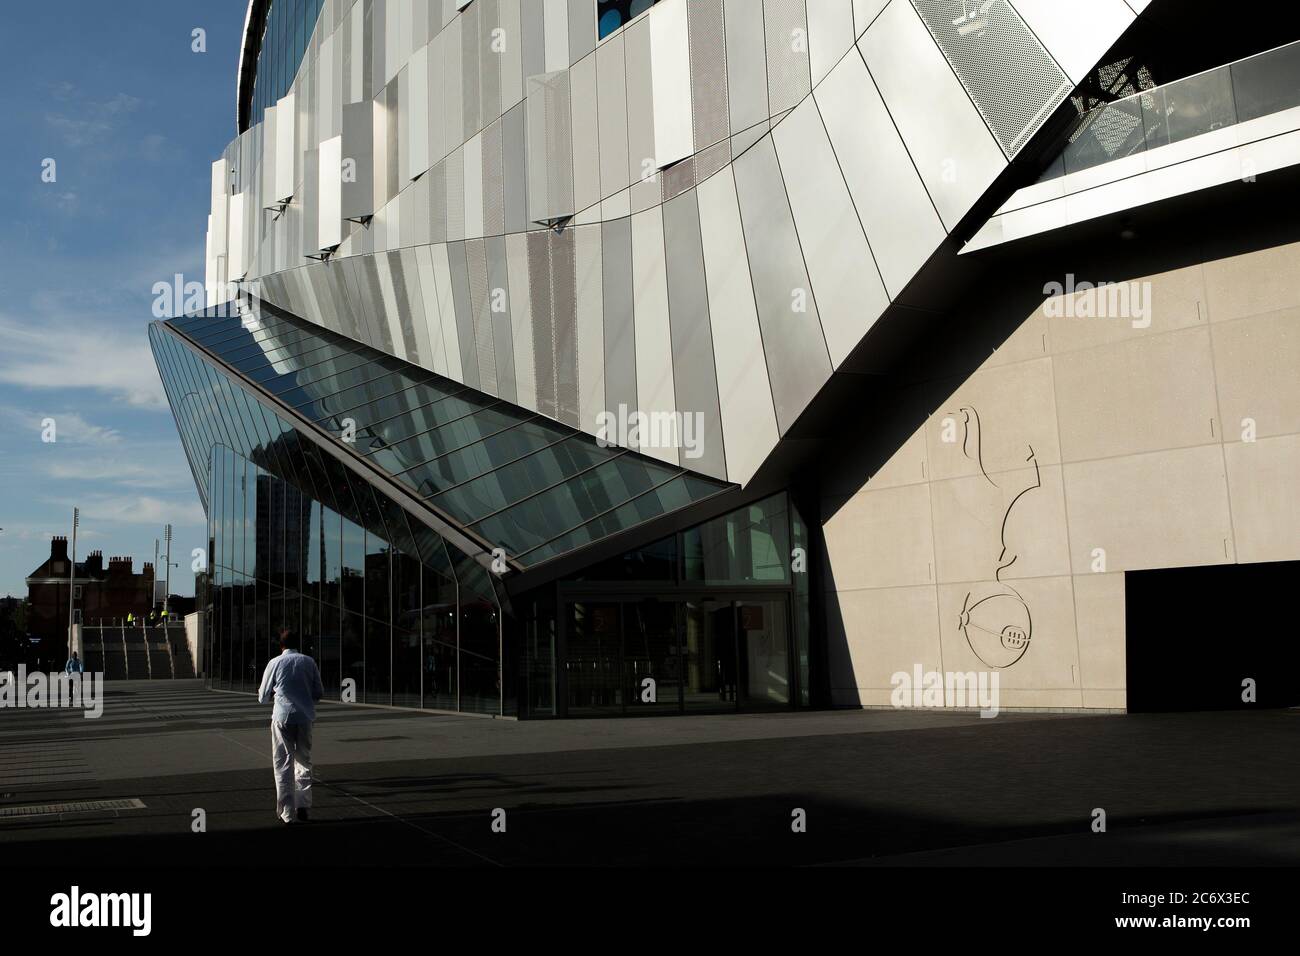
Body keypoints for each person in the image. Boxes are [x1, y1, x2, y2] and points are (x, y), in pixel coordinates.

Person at [257, 629, 323, 824]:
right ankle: (302, 805)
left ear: (281, 645)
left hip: (282, 717)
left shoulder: (275, 663)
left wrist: (274, 694)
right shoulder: (309, 661)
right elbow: (318, 692)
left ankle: (286, 813)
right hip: (304, 718)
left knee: (282, 764)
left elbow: (262, 696)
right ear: (298, 644)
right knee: (303, 761)